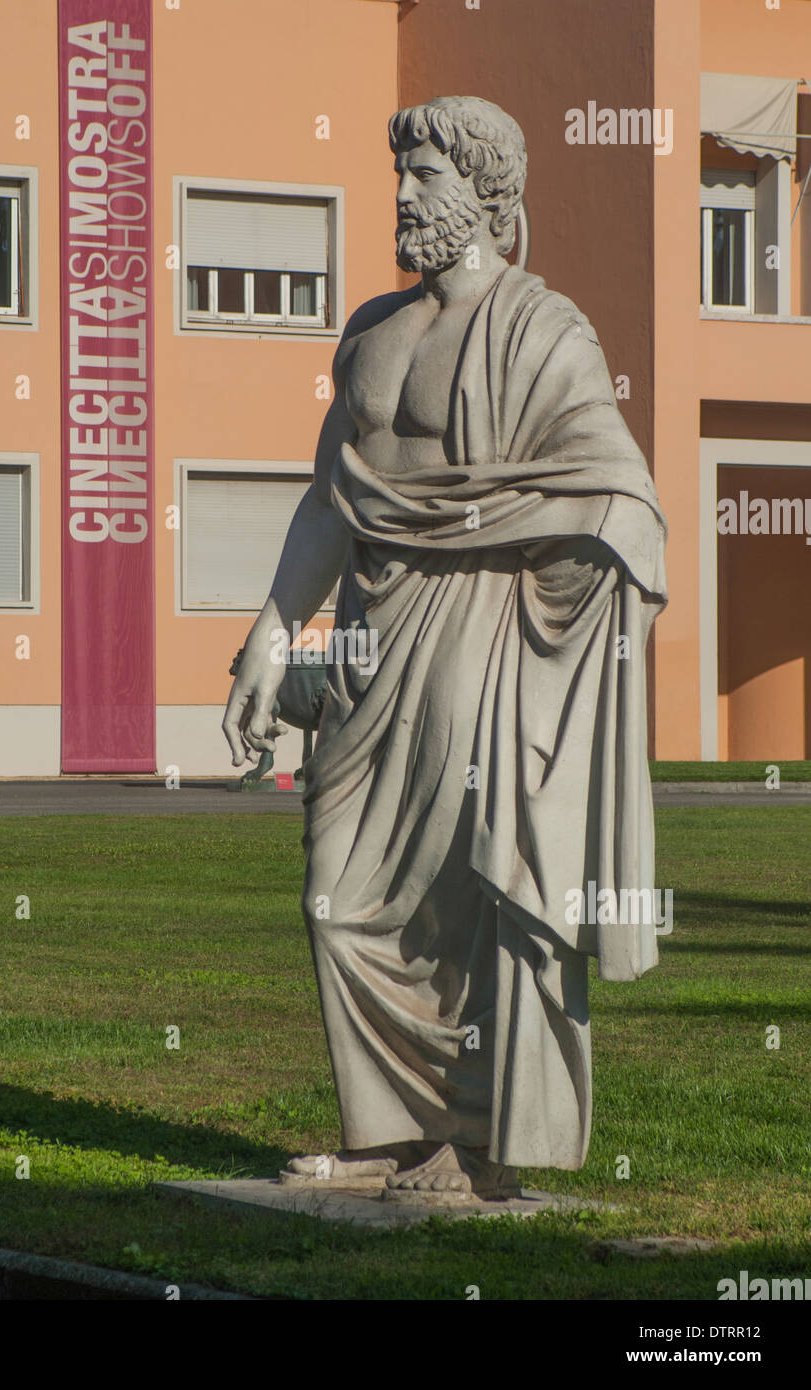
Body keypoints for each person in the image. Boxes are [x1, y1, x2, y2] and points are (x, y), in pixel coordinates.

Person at [222, 96, 667, 1201]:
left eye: (424, 176)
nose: (403, 195)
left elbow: (619, 497)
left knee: (471, 895)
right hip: (373, 640)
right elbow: (331, 500)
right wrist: (269, 637)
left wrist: (577, 590)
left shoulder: (542, 330)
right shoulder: (372, 330)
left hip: (485, 635)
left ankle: (470, 1144)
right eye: (402, 174)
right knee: (335, 895)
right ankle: (385, 1130)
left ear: (484, 194)